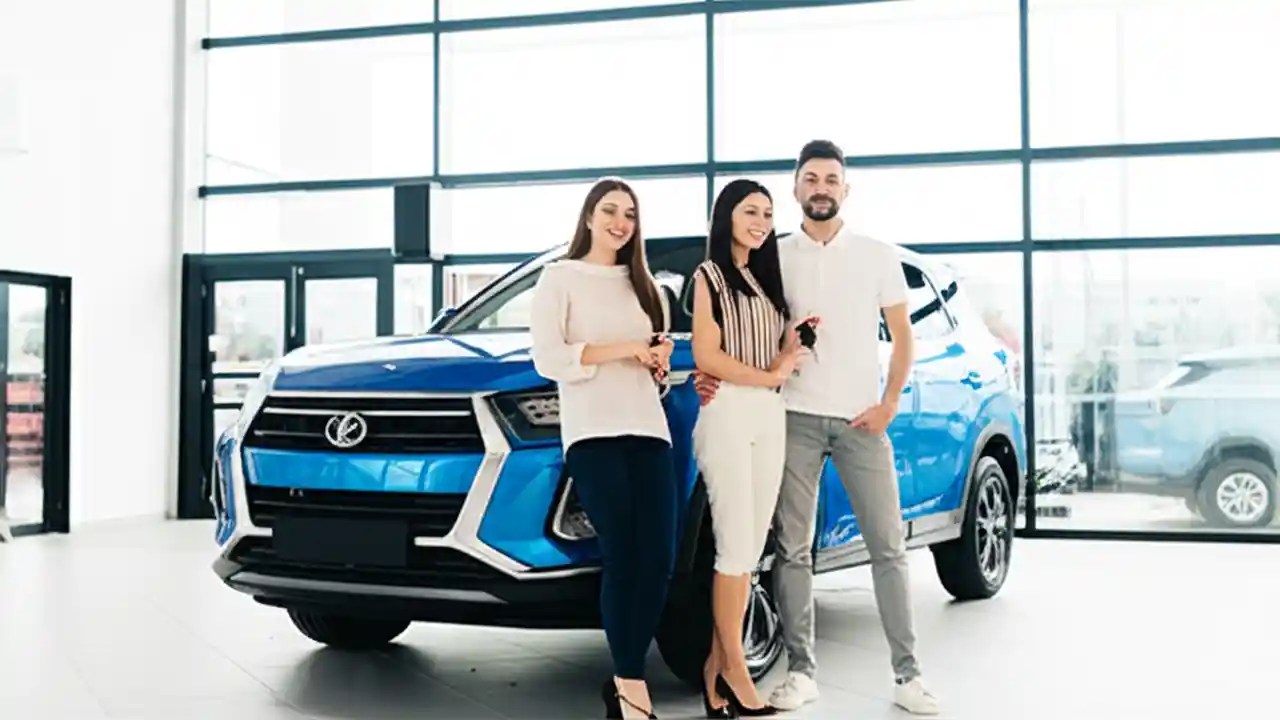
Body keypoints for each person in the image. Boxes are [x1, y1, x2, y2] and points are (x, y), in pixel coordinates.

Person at [695, 140, 941, 716]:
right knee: (792, 550)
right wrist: (706, 378)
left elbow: (903, 337)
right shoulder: (773, 255)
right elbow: (737, 321)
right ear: (797, 189)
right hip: (792, 418)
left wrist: (888, 402)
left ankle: (908, 676)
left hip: (861, 419)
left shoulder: (878, 255)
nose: (822, 187)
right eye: (811, 178)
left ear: (845, 189)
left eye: (832, 178)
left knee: (889, 546)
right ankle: (801, 672)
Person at [530, 177, 677, 720]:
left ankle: (622, 683)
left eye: (631, 214)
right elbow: (548, 358)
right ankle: (633, 687)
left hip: (648, 428)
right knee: (622, 557)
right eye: (611, 210)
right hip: (592, 431)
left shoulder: (648, 287)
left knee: (659, 558)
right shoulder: (559, 278)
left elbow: (652, 370)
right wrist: (627, 348)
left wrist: (655, 363)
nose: (621, 222)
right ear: (589, 216)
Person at [689, 180, 808, 718]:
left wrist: (791, 348)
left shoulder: (765, 281)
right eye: (749, 211)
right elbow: (707, 356)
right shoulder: (709, 276)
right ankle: (736, 670)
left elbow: (773, 355)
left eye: (766, 212)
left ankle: (715, 669)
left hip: (769, 411)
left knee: (750, 546)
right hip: (732, 411)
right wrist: (771, 373)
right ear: (726, 217)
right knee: (734, 548)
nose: (760, 221)